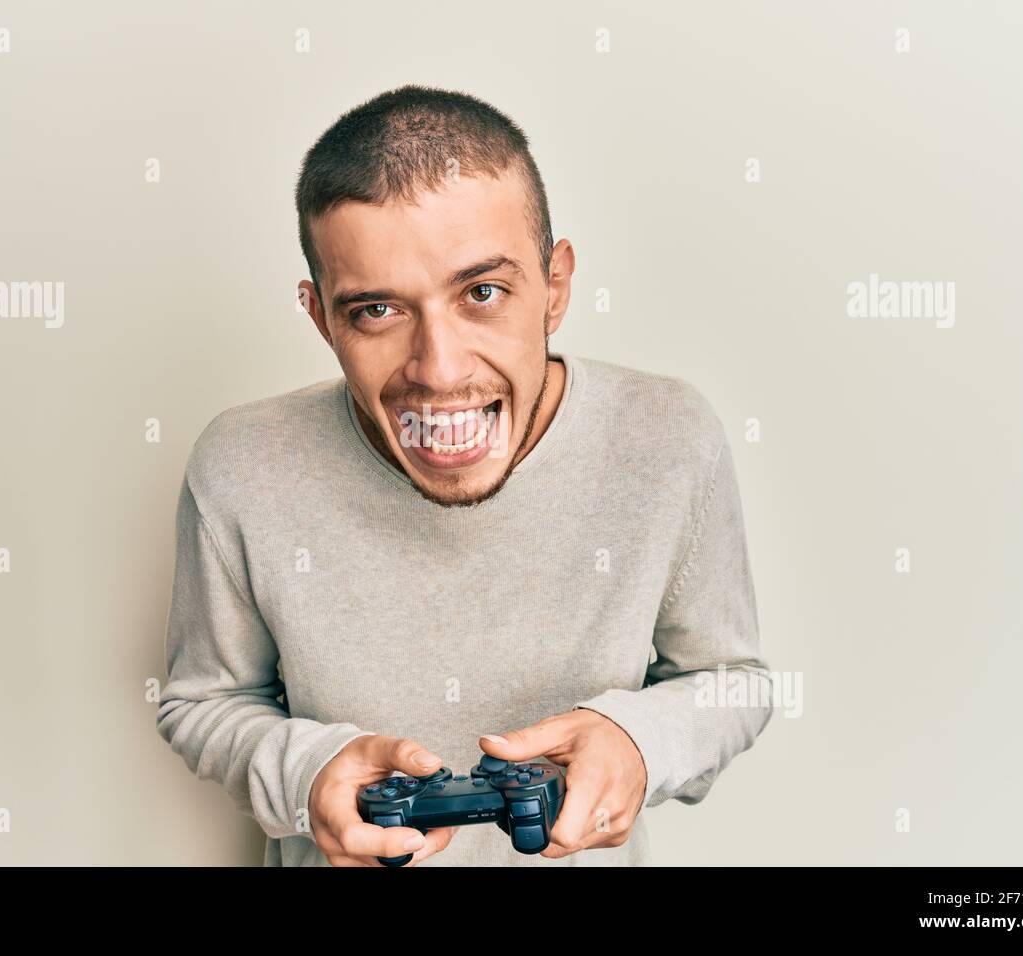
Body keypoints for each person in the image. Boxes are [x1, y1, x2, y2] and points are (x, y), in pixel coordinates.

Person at [156, 84, 774, 866]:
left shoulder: (668, 438)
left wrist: (640, 741)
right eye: (377, 311)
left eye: (482, 292)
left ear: (555, 285)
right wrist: (307, 773)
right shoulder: (241, 464)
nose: (438, 371)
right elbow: (203, 700)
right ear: (321, 319)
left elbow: (732, 679)